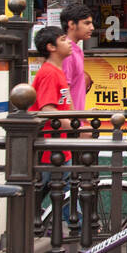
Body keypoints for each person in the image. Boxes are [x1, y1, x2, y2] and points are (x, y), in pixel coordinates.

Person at [29, 25, 74, 168]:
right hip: (50, 150)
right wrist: (74, 126)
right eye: (63, 39)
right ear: (51, 47)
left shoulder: (57, 71)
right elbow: (47, 109)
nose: (68, 42)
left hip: (59, 145)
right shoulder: (49, 73)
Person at [60, 2, 95, 111]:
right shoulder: (66, 50)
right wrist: (73, 120)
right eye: (86, 23)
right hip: (69, 122)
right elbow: (64, 91)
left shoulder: (76, 49)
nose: (92, 27)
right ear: (71, 24)